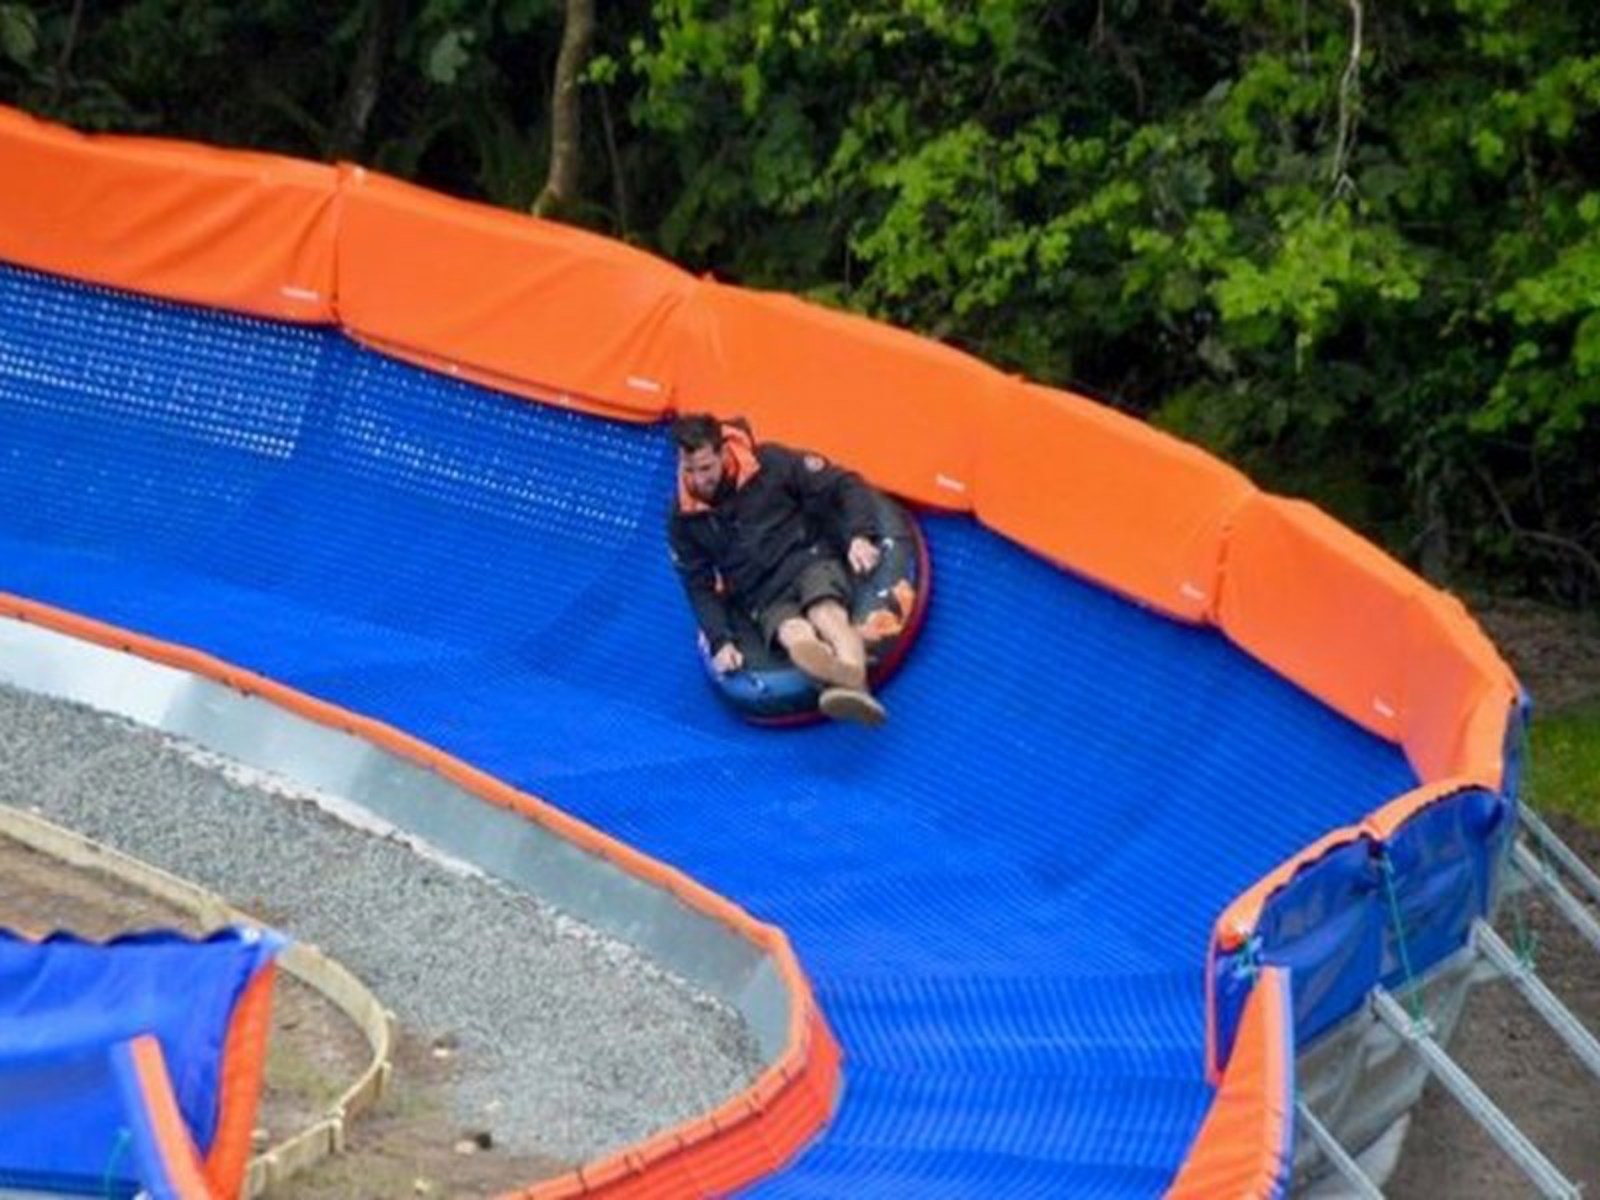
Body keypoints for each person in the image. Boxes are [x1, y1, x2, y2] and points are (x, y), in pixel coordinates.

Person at [667, 413, 888, 726]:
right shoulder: (682, 520)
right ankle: (852, 680)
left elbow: (842, 484)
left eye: (706, 468)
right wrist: (720, 640)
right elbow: (697, 584)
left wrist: (860, 536)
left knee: (825, 611)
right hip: (761, 594)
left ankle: (850, 675)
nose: (699, 479)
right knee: (792, 633)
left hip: (806, 557)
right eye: (689, 470)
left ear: (723, 452)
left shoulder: (769, 463)